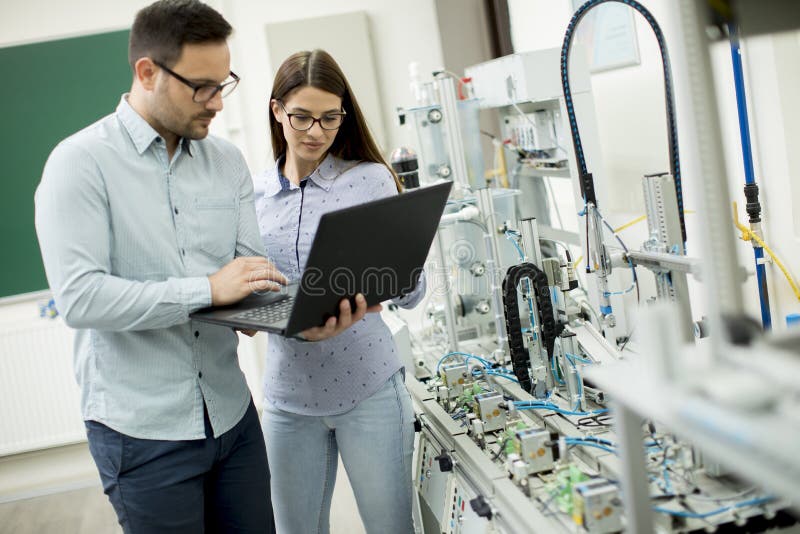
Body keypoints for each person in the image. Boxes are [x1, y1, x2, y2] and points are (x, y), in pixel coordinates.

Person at [34, 1, 288, 532]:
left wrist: (295, 312)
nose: (218, 103)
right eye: (202, 87)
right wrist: (207, 290)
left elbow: (245, 278)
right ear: (147, 72)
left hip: (232, 416)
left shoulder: (227, 162)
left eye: (224, 83)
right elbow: (81, 299)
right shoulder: (79, 163)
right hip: (141, 435)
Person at [255, 49, 426, 534]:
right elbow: (246, 292)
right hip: (288, 402)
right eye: (302, 116)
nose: (316, 131)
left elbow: (411, 294)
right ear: (276, 111)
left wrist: (404, 254)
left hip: (369, 389)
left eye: (331, 118)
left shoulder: (369, 180)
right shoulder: (251, 196)